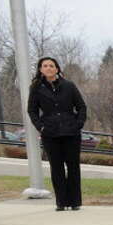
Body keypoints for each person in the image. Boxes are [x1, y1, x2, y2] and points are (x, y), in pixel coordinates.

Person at [27, 56, 87, 211]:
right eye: (45, 65)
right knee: (56, 168)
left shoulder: (69, 86)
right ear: (40, 69)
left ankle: (75, 202)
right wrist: (41, 127)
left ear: (57, 69)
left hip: (71, 133)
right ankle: (61, 202)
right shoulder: (36, 88)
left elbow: (81, 107)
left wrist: (78, 124)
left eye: (51, 65)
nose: (48, 68)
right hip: (50, 134)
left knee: (73, 167)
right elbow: (32, 110)